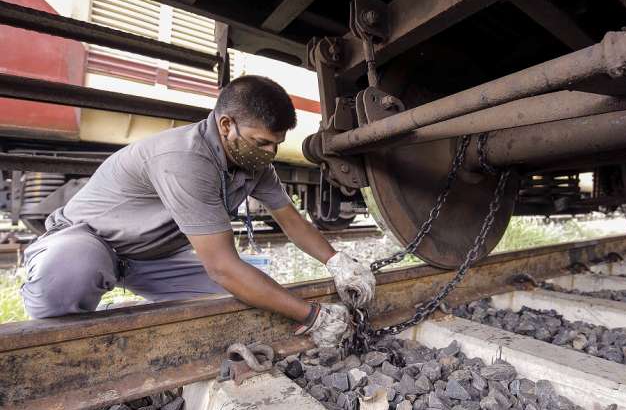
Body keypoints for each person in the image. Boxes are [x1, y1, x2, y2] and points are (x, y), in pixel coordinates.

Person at [20, 75, 374, 348]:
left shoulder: (253, 163)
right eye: (262, 142)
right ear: (226, 125)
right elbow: (222, 266)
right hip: (90, 243)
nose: (269, 153)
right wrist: (313, 317)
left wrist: (337, 262)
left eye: (276, 145)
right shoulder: (184, 159)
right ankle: (56, 329)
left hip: (147, 258)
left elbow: (291, 220)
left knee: (248, 296)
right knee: (75, 265)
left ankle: (120, 316)